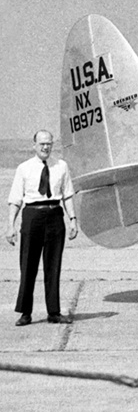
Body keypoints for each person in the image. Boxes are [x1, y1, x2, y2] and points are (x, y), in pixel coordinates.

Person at [8, 130, 78, 326]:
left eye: (49, 143)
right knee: (28, 266)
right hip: (32, 216)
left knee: (53, 266)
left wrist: (72, 219)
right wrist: (10, 225)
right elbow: (15, 199)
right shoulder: (24, 168)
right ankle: (25, 312)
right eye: (42, 144)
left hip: (55, 215)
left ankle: (54, 312)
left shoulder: (61, 166)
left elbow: (68, 194)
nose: (45, 147)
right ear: (34, 145)